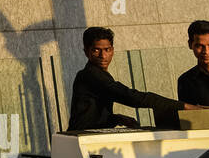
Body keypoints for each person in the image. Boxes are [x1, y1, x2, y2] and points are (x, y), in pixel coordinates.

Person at [67, 27, 198, 131]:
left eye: (107, 49)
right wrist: (183, 106)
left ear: (112, 50)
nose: (103, 55)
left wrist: (117, 118)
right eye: (96, 50)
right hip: (82, 140)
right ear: (86, 52)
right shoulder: (91, 75)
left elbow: (89, 115)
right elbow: (130, 96)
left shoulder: (98, 75)